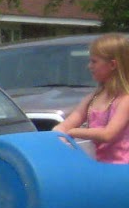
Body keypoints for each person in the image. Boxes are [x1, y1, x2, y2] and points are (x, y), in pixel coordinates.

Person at [55, 32, 129, 163]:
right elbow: (63, 126)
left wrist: (74, 132)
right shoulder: (92, 98)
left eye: (94, 61)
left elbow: (108, 134)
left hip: (122, 169)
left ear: (112, 65)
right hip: (98, 166)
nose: (89, 66)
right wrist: (57, 135)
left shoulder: (125, 99)